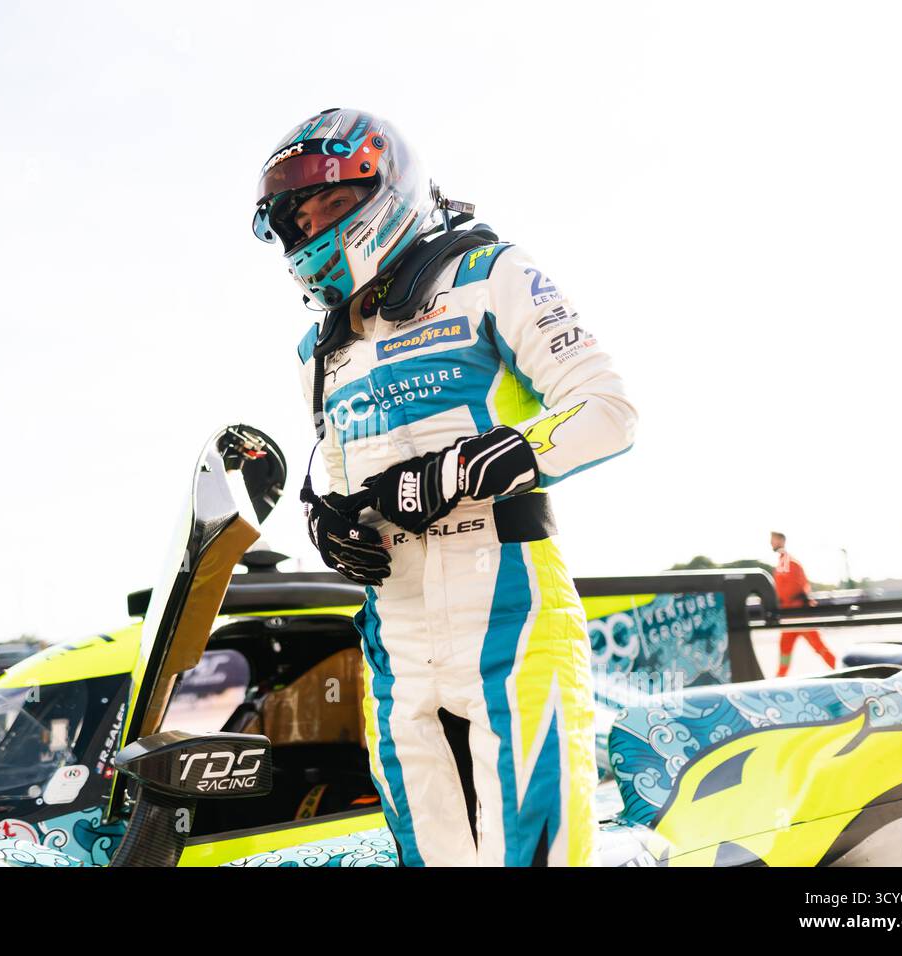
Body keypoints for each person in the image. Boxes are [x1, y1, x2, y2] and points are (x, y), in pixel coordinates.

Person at [252, 108, 637, 866]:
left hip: (509, 599)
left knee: (538, 855)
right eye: (299, 217)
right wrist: (326, 525)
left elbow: (609, 413)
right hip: (393, 627)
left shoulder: (491, 271)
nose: (315, 226)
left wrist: (460, 471)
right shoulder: (317, 349)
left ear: (387, 187)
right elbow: (332, 471)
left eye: (333, 202)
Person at [769, 532, 835, 676]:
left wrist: (781, 604)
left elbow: (791, 588)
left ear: (781, 541)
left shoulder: (788, 562)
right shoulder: (784, 561)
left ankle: (843, 672)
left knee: (819, 648)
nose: (771, 543)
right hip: (790, 617)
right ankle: (778, 681)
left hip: (798, 615)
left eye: (773, 540)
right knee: (785, 652)